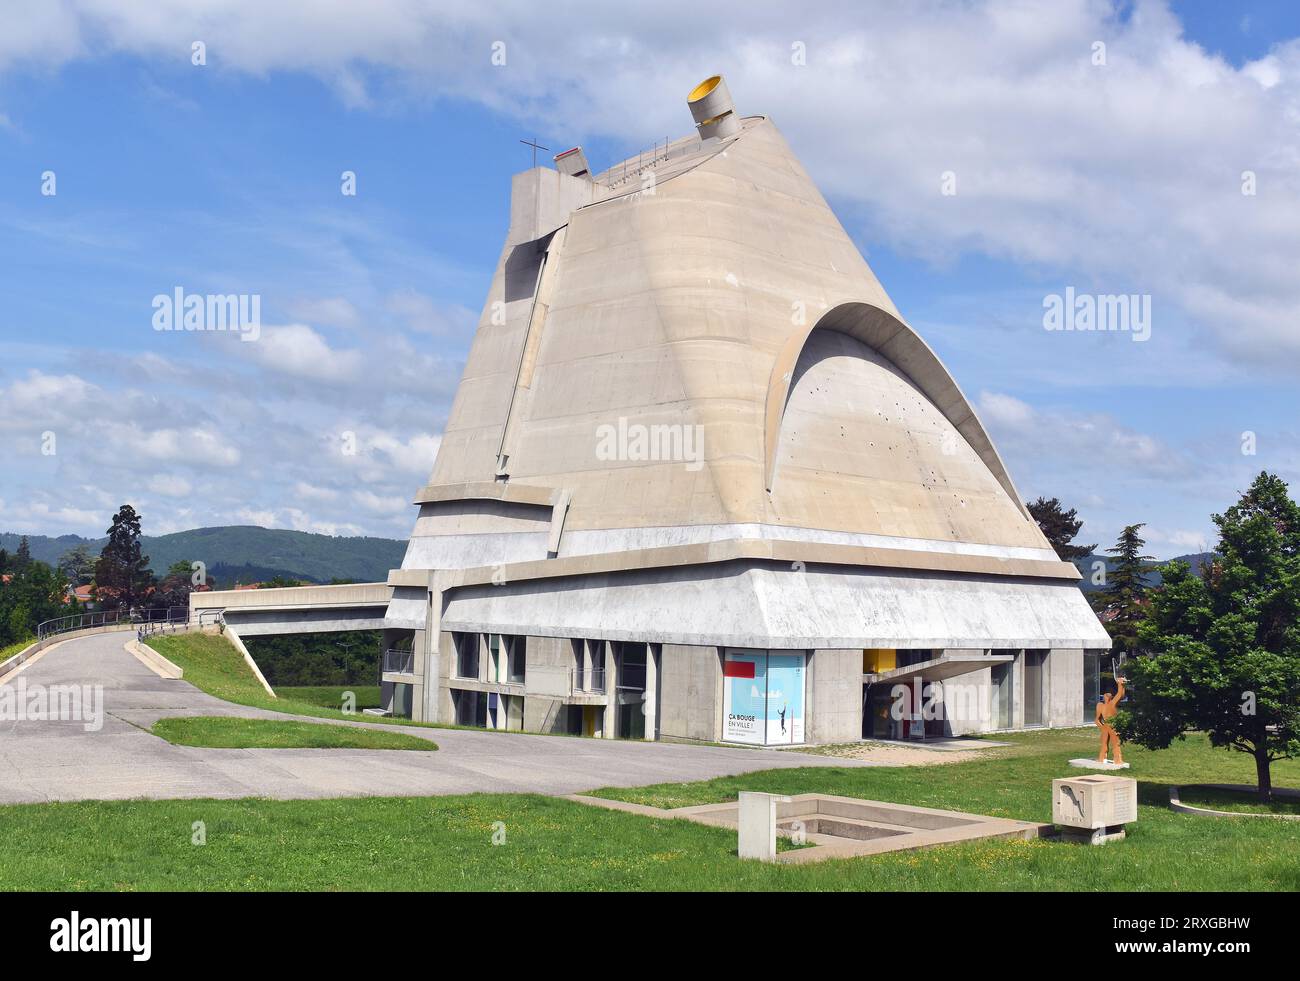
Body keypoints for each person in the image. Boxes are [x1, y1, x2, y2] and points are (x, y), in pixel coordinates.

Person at [1095, 676, 1127, 765]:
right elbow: (1097, 720)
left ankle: (1117, 759)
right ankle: (1102, 758)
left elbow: (1120, 695)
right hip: (1106, 726)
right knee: (1104, 743)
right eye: (1106, 695)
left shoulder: (1112, 704)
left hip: (1113, 726)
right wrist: (1102, 728)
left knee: (1115, 743)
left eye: (1109, 695)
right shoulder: (1100, 706)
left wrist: (1121, 685)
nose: (1107, 696)